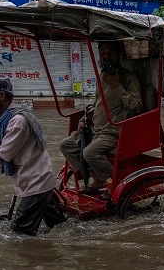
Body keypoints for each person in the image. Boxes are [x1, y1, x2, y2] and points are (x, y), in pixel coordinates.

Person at [0, 75, 66, 235]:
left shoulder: (18, 121)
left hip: (36, 181)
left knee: (20, 232)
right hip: (33, 176)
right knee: (57, 225)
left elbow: (3, 153)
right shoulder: (4, 117)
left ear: (1, 95)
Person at [59, 40, 142, 192]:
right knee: (66, 145)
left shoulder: (128, 78)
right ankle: (97, 178)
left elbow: (136, 106)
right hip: (96, 129)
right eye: (102, 53)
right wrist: (84, 119)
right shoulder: (101, 77)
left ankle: (113, 182)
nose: (106, 56)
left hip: (114, 132)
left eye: (110, 52)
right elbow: (97, 104)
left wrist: (117, 86)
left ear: (118, 54)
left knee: (89, 152)